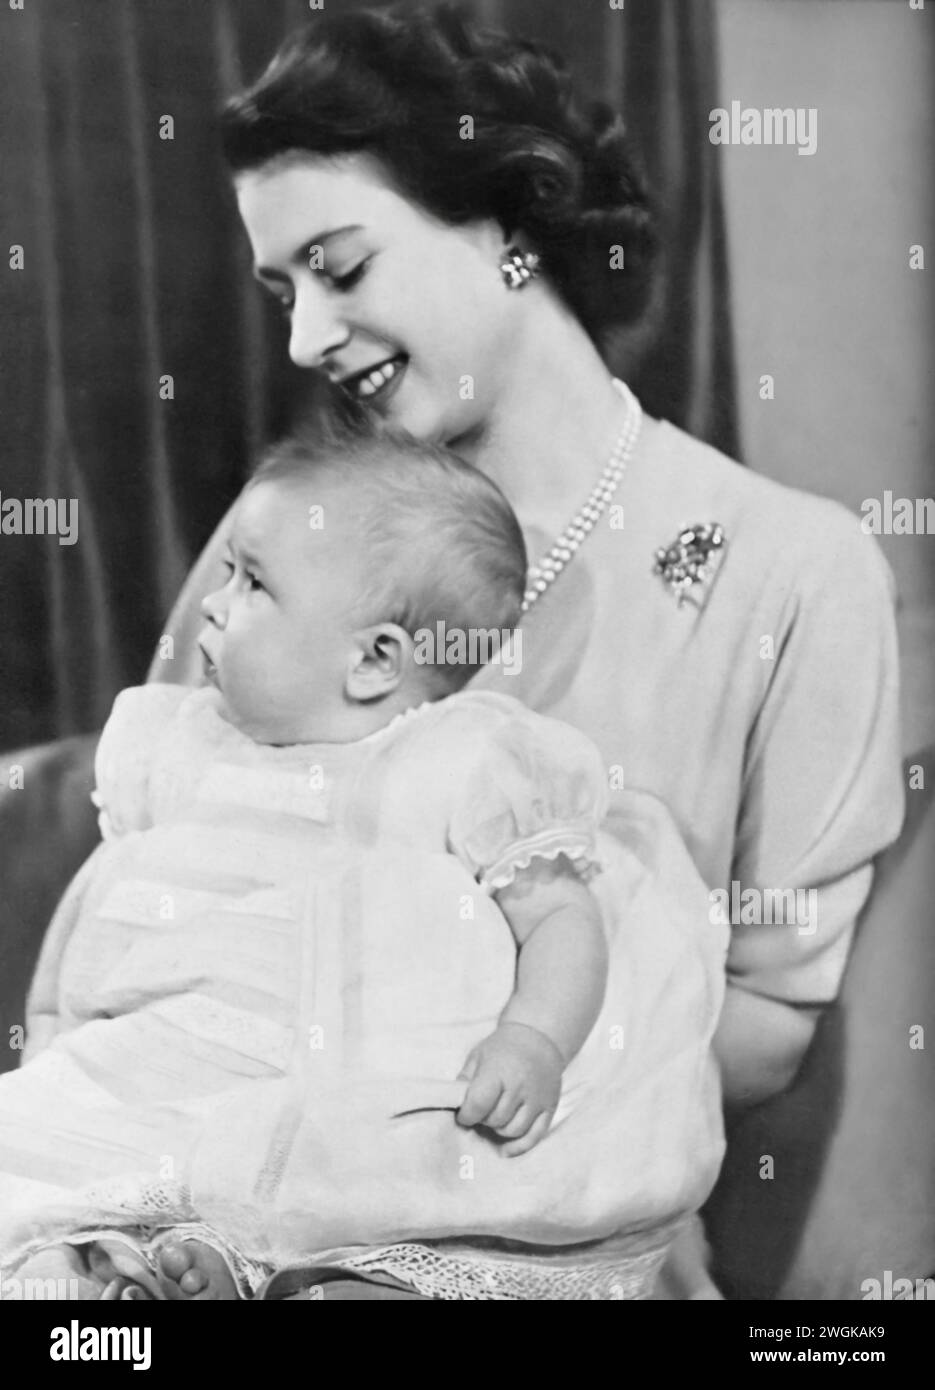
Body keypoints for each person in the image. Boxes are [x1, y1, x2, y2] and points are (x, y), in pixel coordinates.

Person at [139, 2, 904, 1298]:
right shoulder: (293, 529)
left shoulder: (794, 567)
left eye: (339, 266)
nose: (304, 339)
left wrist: (433, 1085)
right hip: (233, 1201)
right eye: (281, 292)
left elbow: (767, 1028)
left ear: (504, 228)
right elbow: (162, 850)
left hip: (561, 1231)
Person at [1, 422, 727, 1300]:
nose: (218, 603)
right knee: (50, 1152)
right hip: (166, 1057)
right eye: (227, 571)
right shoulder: (185, 743)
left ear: (375, 660)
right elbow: (110, 914)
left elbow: (560, 915)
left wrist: (533, 1037)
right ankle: (109, 1266)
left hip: (325, 1088)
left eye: (254, 583)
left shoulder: (449, 763)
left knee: (348, 1203)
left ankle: (231, 1269)